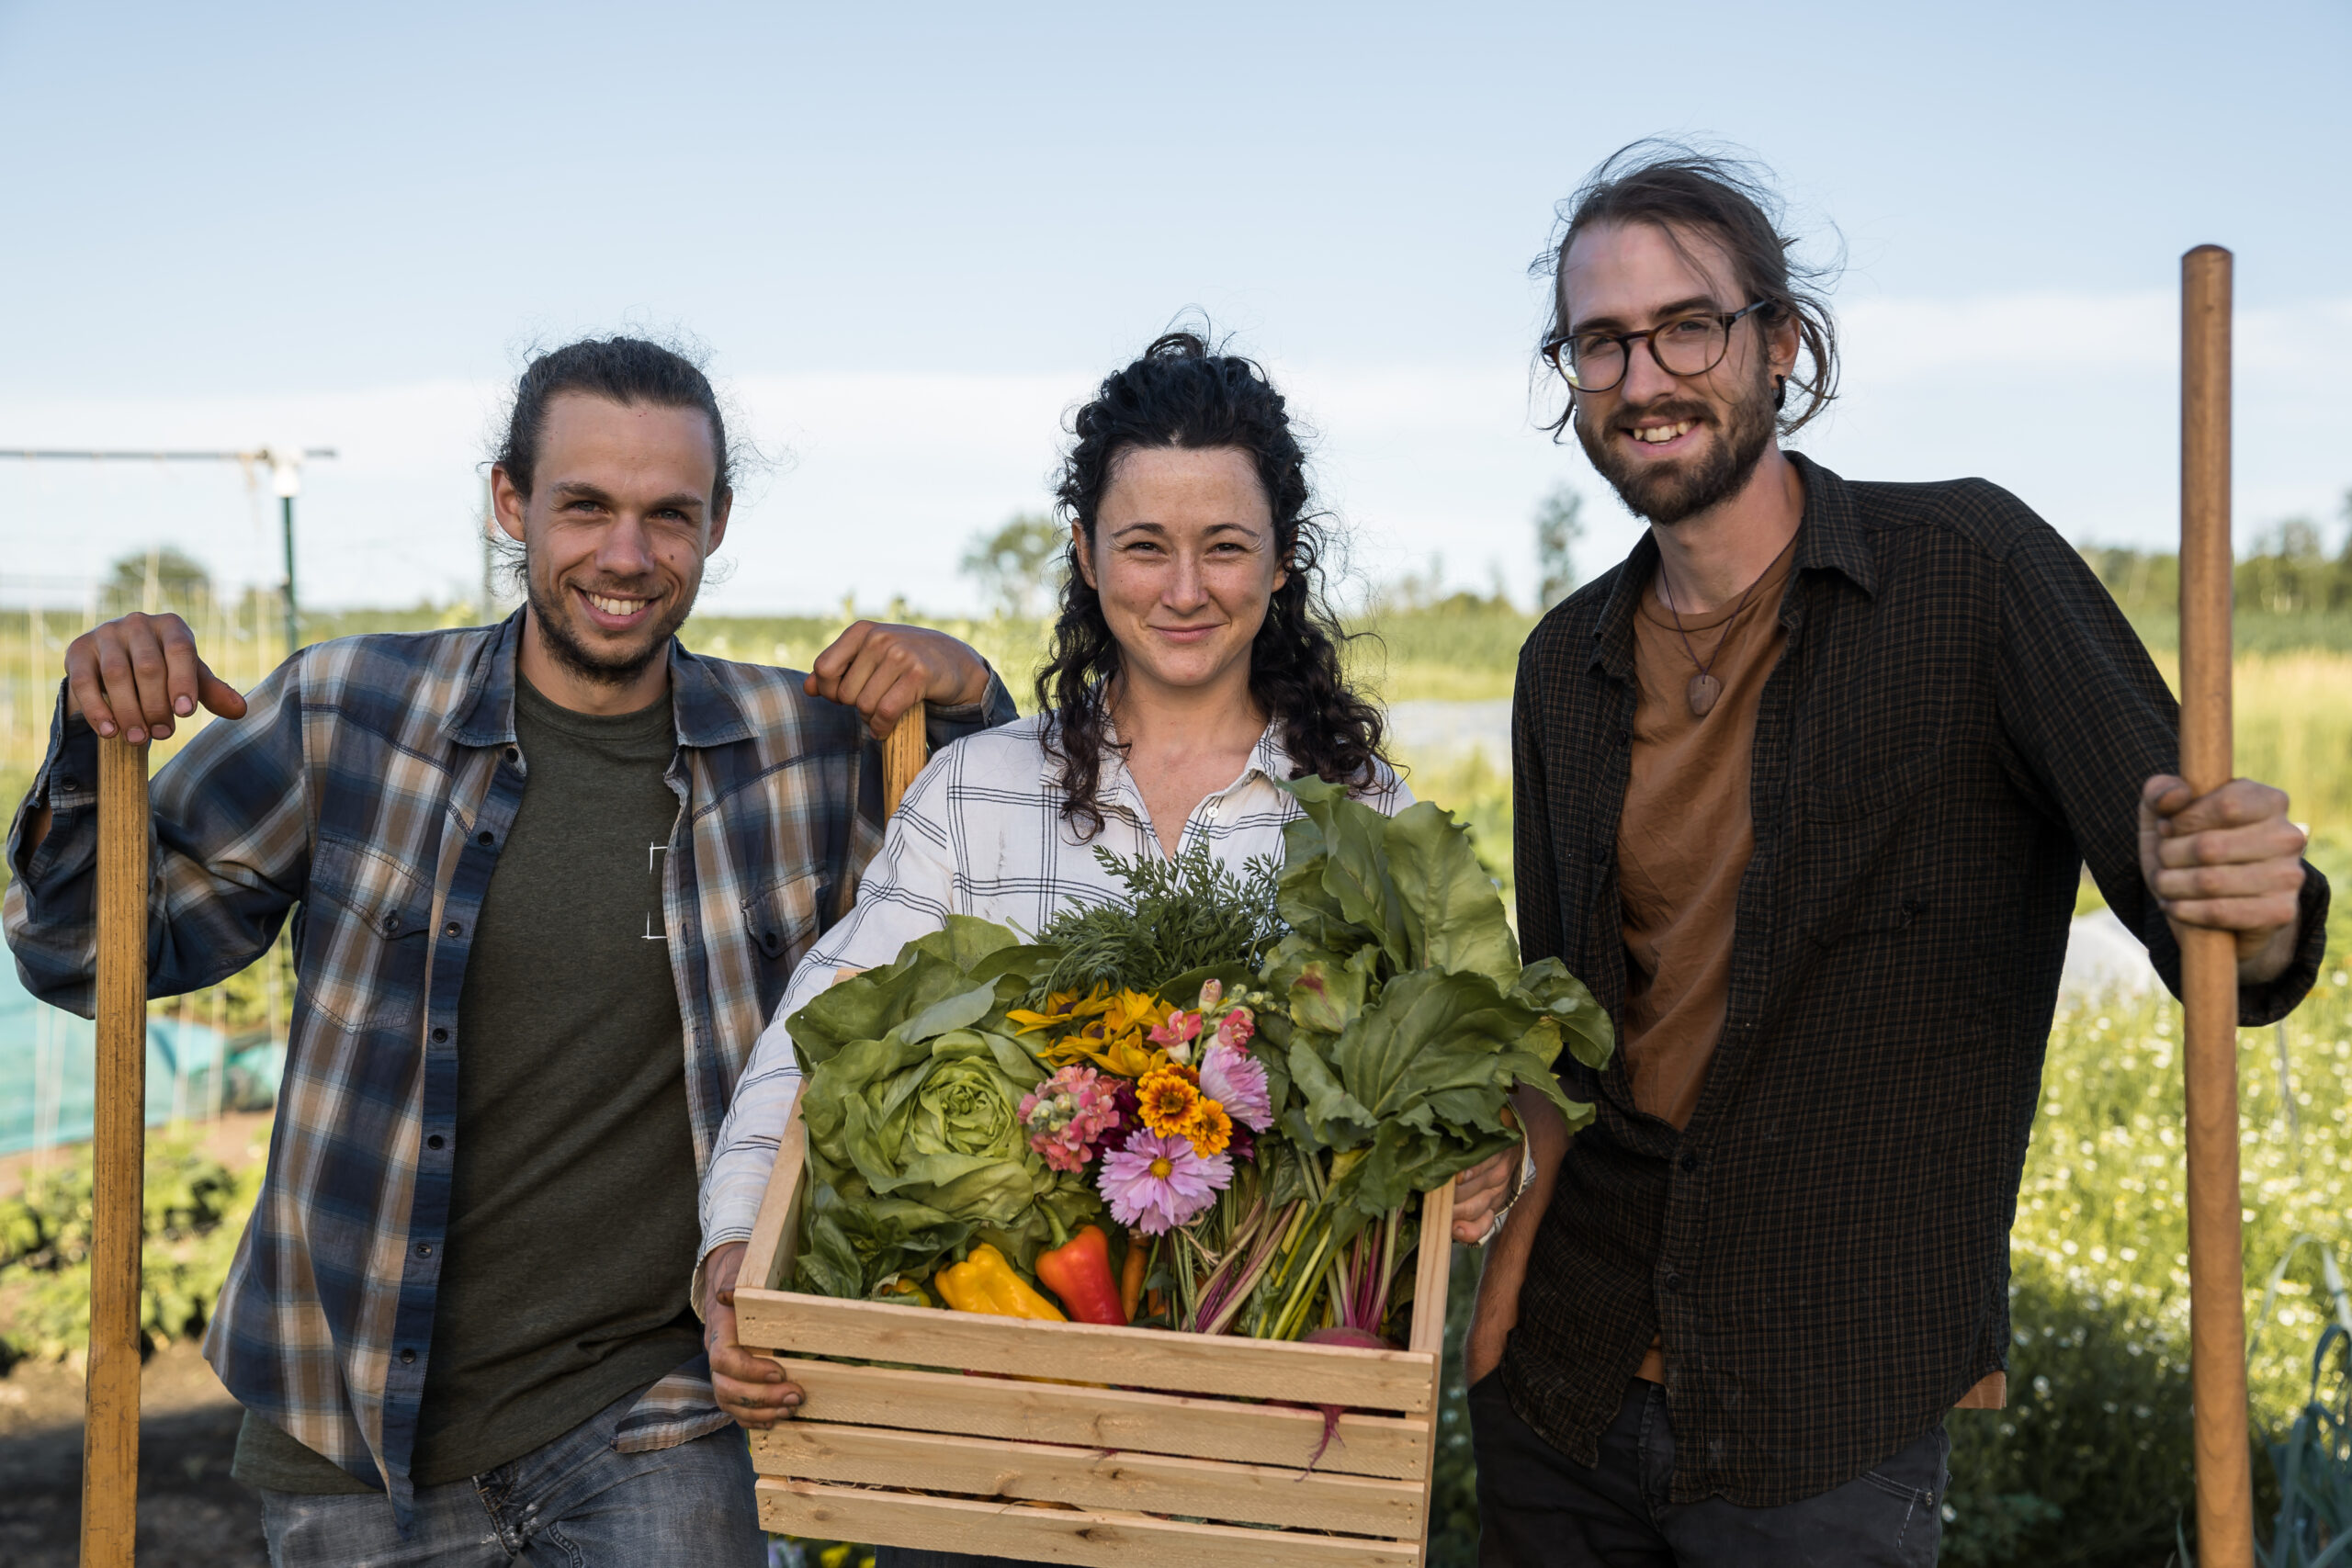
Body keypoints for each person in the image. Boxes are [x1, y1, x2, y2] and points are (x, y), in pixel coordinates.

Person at [4, 336, 1018, 1565]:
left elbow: (982, 881)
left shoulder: (799, 744)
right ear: (511, 501)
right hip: (351, 1421)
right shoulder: (349, 714)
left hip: (658, 1405)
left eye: (669, 516)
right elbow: (86, 952)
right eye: (585, 506)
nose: (627, 556)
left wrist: (966, 698)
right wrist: (88, 732)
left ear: (718, 523)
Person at [1466, 144, 2329, 1566]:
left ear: (1782, 344)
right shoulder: (1563, 665)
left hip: (1828, 1411)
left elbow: (2208, 906)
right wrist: (1498, 1313)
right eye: (1599, 343)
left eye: (1687, 325)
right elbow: (1562, 1035)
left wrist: (2264, 901)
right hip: (1566, 1379)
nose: (1643, 377)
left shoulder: (1969, 574)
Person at [697, 329, 1495, 1568]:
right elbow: (832, 1019)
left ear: (1283, 563)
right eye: (1143, 544)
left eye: (1226, 546)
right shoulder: (979, 791)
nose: (1185, 587)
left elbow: (1439, 1104)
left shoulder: (1361, 810)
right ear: (1084, 555)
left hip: (1253, 1449)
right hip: (989, 1440)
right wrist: (738, 1236)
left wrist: (1483, 1175)